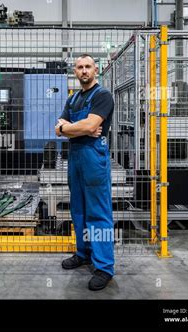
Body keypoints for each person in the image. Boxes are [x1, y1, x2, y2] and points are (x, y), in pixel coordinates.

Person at [55, 54, 115, 291]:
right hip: (76, 160)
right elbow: (58, 127)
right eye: (79, 67)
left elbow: (90, 126)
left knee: (98, 214)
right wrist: (70, 128)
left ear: (96, 70)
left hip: (93, 160)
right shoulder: (73, 99)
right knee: (78, 211)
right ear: (75, 71)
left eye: (88, 66)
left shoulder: (103, 96)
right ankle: (83, 253)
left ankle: (104, 267)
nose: (84, 71)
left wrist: (68, 128)